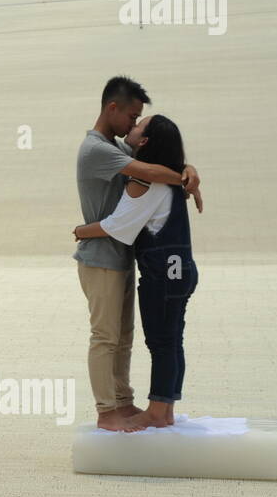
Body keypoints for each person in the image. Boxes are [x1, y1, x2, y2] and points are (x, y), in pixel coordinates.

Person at [74, 76, 201, 432]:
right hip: (100, 258)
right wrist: (183, 173)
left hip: (123, 258)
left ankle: (124, 402)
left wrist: (188, 170)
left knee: (125, 338)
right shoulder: (96, 149)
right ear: (112, 108)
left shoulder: (119, 147)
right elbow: (149, 170)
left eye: (138, 121)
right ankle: (105, 411)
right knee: (105, 338)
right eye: (132, 116)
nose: (133, 124)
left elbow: (158, 161)